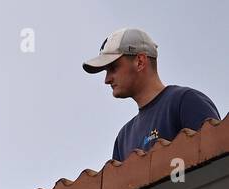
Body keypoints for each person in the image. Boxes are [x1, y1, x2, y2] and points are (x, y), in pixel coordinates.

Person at [82, 28, 220, 162]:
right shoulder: (123, 137)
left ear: (140, 61)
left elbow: (218, 165)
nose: (107, 80)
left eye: (113, 68)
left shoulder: (186, 102)